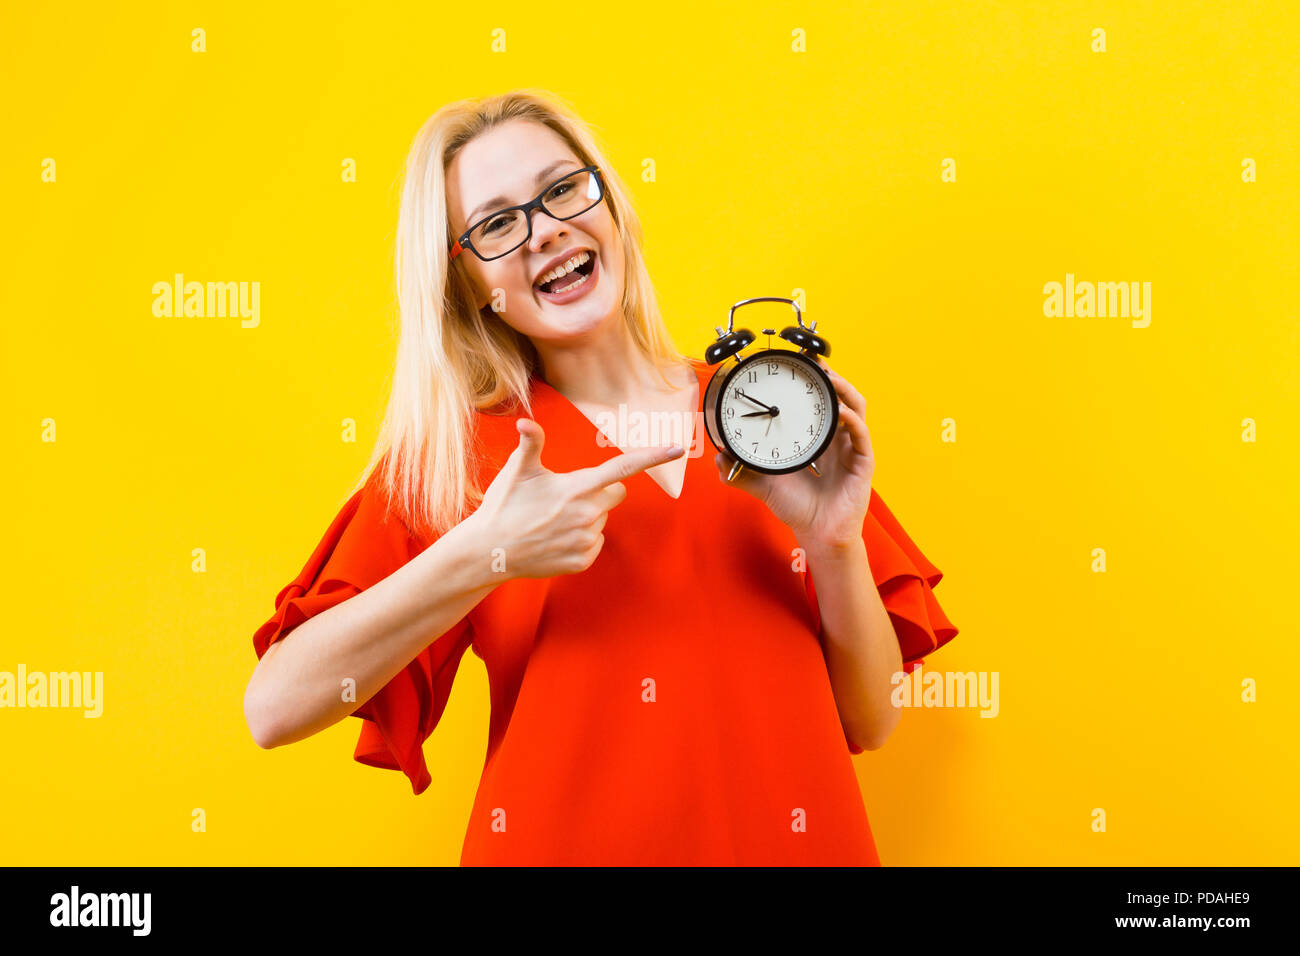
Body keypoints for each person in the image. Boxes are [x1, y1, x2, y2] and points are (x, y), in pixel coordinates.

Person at [243, 88, 958, 865]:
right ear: (473, 286)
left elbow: (871, 722)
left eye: (561, 189)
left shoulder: (769, 412)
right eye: (495, 225)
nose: (544, 229)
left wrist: (835, 541)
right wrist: (489, 552)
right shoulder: (456, 460)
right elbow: (274, 708)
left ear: (609, 204)